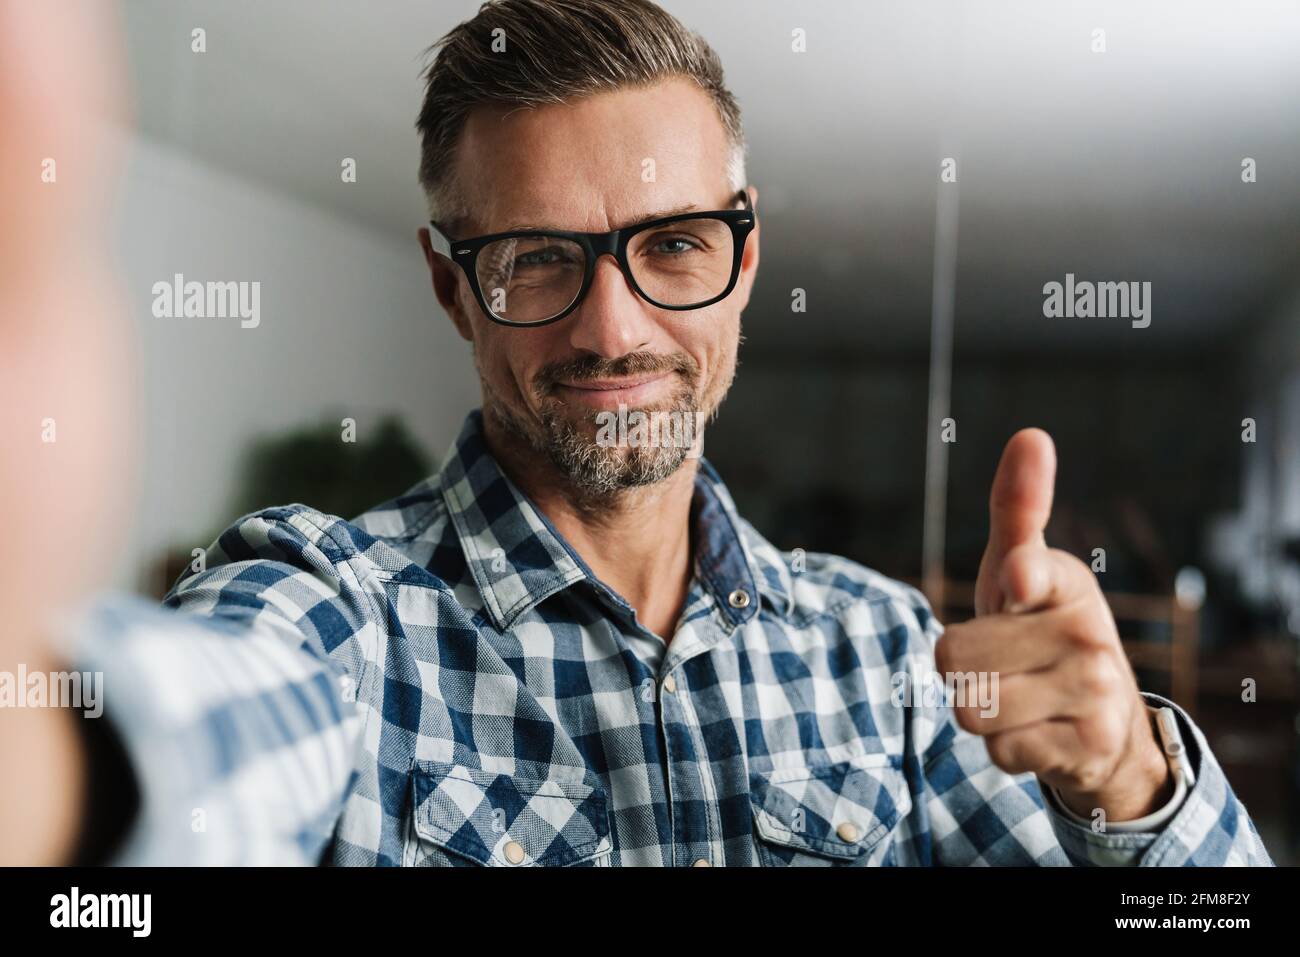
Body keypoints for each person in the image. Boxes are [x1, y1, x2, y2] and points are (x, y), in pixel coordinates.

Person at [5, 0, 1271, 866]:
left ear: (744, 255)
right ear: (455, 288)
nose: (614, 329)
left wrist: (1130, 785)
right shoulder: (339, 612)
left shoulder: (889, 656)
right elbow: (217, 724)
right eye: (538, 259)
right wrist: (55, 760)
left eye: (671, 244)